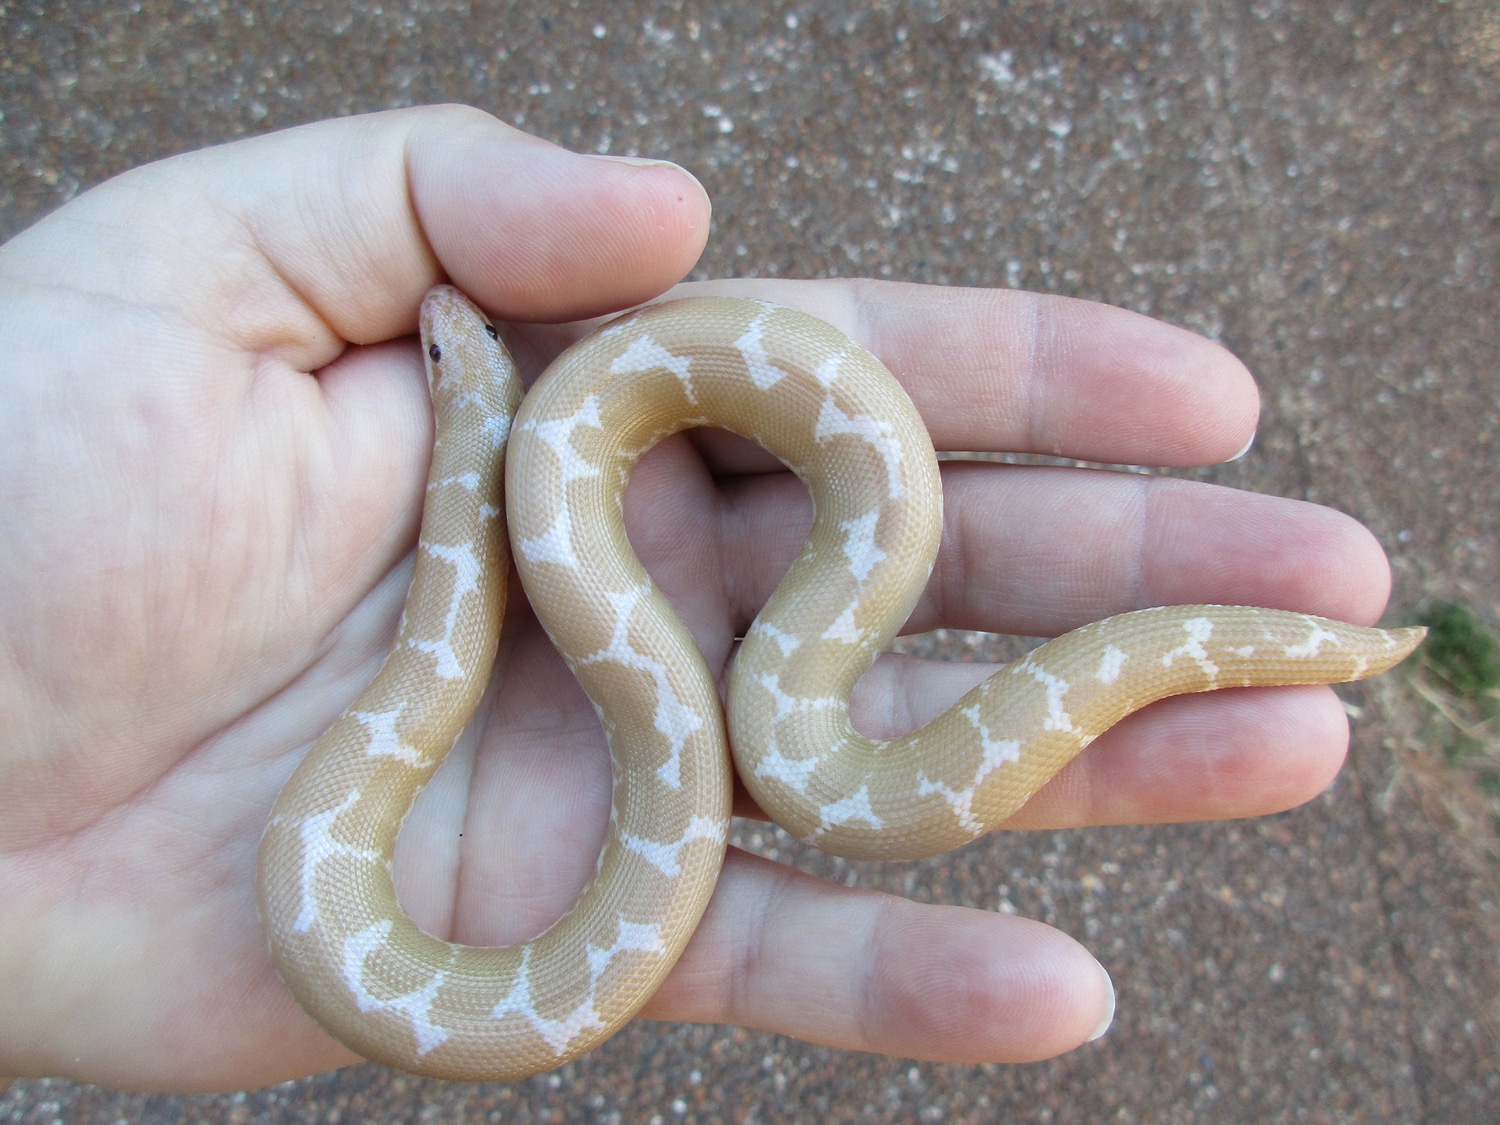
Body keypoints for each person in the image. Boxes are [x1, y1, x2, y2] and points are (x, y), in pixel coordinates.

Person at [0, 105, 1398, 1094]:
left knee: (818, 691)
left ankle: (1276, 637)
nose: (451, 334)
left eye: (463, 353)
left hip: (723, 589)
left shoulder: (535, 461)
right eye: (459, 360)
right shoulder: (524, 469)